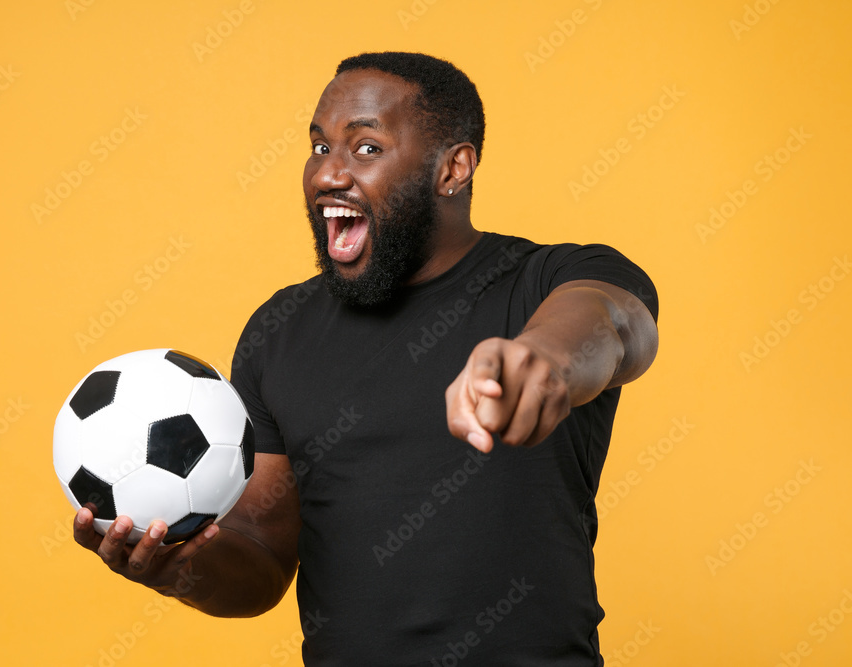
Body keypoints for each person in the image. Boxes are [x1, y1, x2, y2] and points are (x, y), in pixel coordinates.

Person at [74, 52, 659, 665]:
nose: (328, 174)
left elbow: (616, 323)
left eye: (366, 148)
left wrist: (542, 360)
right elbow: (261, 560)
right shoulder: (279, 331)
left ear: (453, 168)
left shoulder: (551, 279)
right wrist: (179, 569)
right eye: (320, 147)